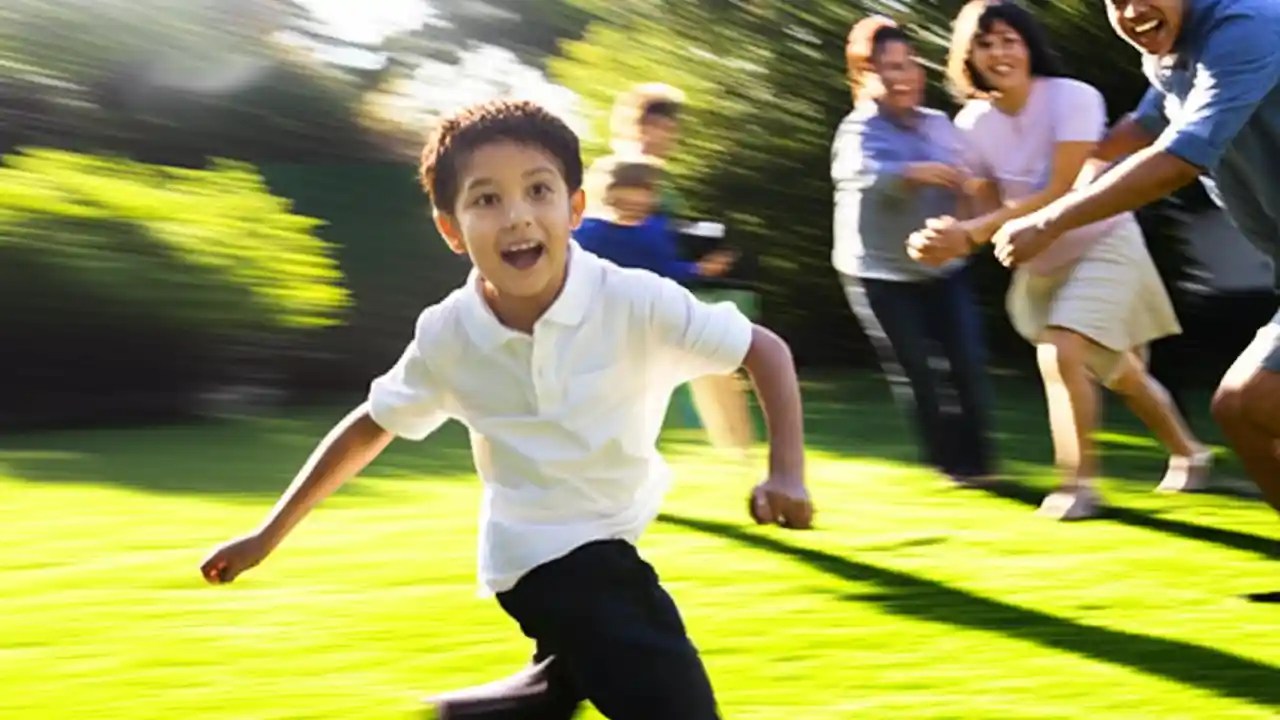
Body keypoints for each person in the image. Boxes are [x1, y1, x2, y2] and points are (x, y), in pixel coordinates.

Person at [198, 99, 816, 718]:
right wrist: (267, 535)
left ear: (575, 208)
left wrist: (786, 471)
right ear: (451, 228)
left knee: (559, 684)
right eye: (487, 199)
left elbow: (763, 350)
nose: (517, 216)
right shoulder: (450, 334)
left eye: (539, 191)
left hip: (615, 528)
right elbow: (370, 426)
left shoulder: (635, 301)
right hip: (539, 553)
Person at [965, 0, 1279, 596]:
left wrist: (1053, 219)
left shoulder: (1248, 26)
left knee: (1248, 401)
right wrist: (1071, 170)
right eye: (1115, 0)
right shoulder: (1172, 52)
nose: (1133, 11)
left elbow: (1180, 157)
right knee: (1242, 410)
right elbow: (1147, 124)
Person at [908, 0, 1210, 520]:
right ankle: (1190, 453)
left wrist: (974, 231)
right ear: (968, 57)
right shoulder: (972, 122)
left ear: (1029, 46)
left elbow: (1064, 188)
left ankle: (1078, 486)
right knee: (1121, 374)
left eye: (1009, 40)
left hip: (1103, 243)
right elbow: (983, 204)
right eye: (984, 44)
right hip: (1041, 260)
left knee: (1061, 350)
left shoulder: (1074, 97)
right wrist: (950, 235)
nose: (998, 53)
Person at [832, 15, 996, 486]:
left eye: (909, 64)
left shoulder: (939, 124)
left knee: (967, 361)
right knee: (919, 371)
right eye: (890, 67)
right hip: (880, 274)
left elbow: (972, 181)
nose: (903, 76)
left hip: (945, 267)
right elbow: (858, 174)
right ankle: (950, 465)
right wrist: (913, 173)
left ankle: (981, 466)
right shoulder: (858, 129)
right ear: (866, 75)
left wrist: (974, 200)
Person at [606, 83, 759, 456]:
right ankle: (741, 455)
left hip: (660, 296)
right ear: (635, 127)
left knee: (713, 359)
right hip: (624, 305)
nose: (664, 137)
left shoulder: (660, 182)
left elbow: (657, 241)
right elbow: (622, 241)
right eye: (656, 127)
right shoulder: (615, 174)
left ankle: (740, 455)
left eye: (670, 130)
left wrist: (695, 256)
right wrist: (694, 267)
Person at [575, 154, 736, 282]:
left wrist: (700, 269)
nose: (636, 198)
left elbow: (664, 269)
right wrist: (699, 269)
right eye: (631, 188)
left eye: (645, 191)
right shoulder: (586, 232)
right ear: (610, 192)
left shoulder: (658, 230)